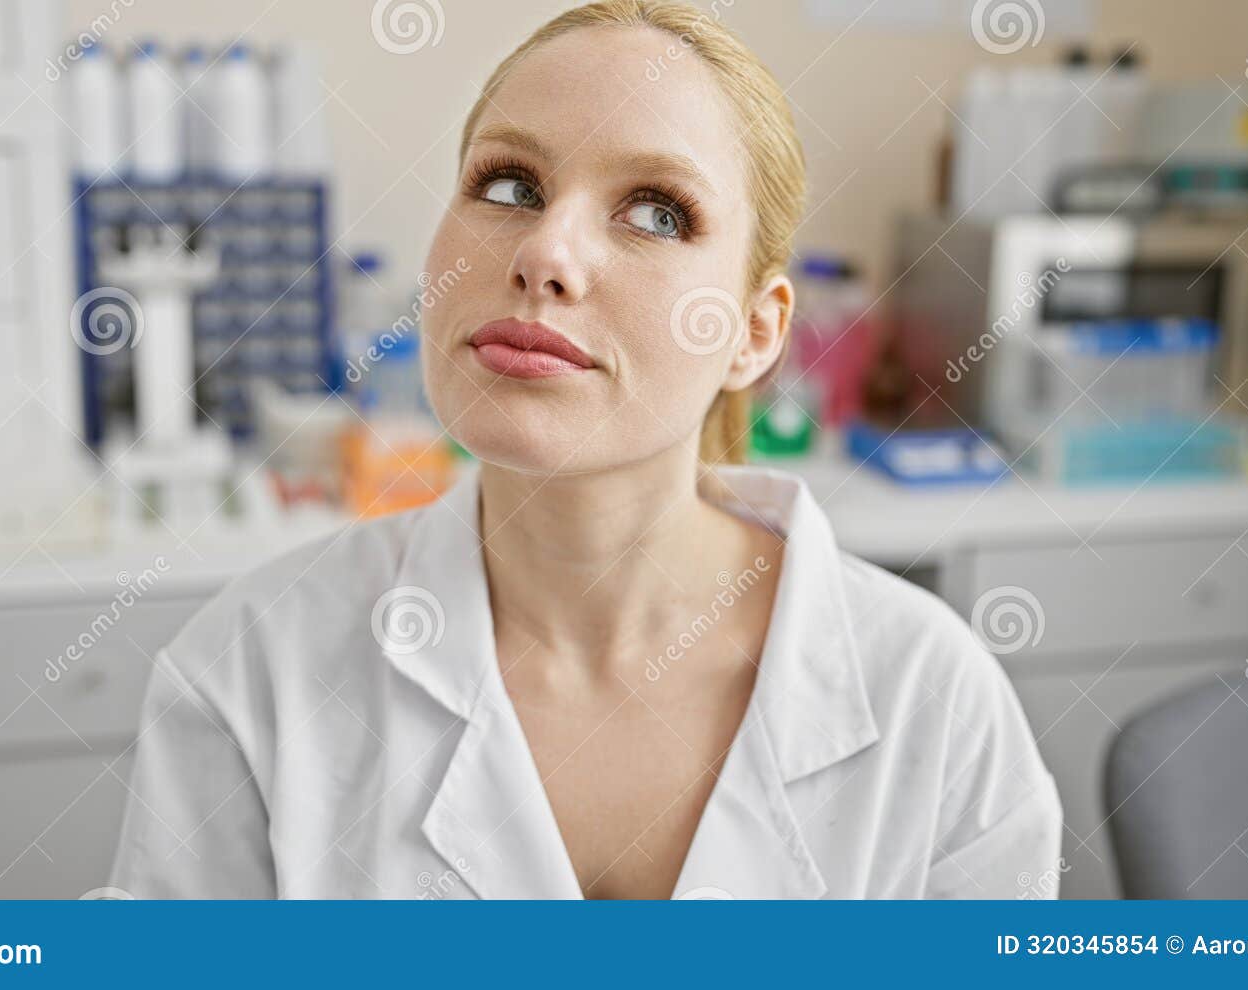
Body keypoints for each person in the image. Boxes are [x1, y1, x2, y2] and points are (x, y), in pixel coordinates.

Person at [111, 0, 1062, 899]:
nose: (545, 255)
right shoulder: (250, 675)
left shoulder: (935, 702)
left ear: (755, 333)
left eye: (656, 212)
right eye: (509, 186)